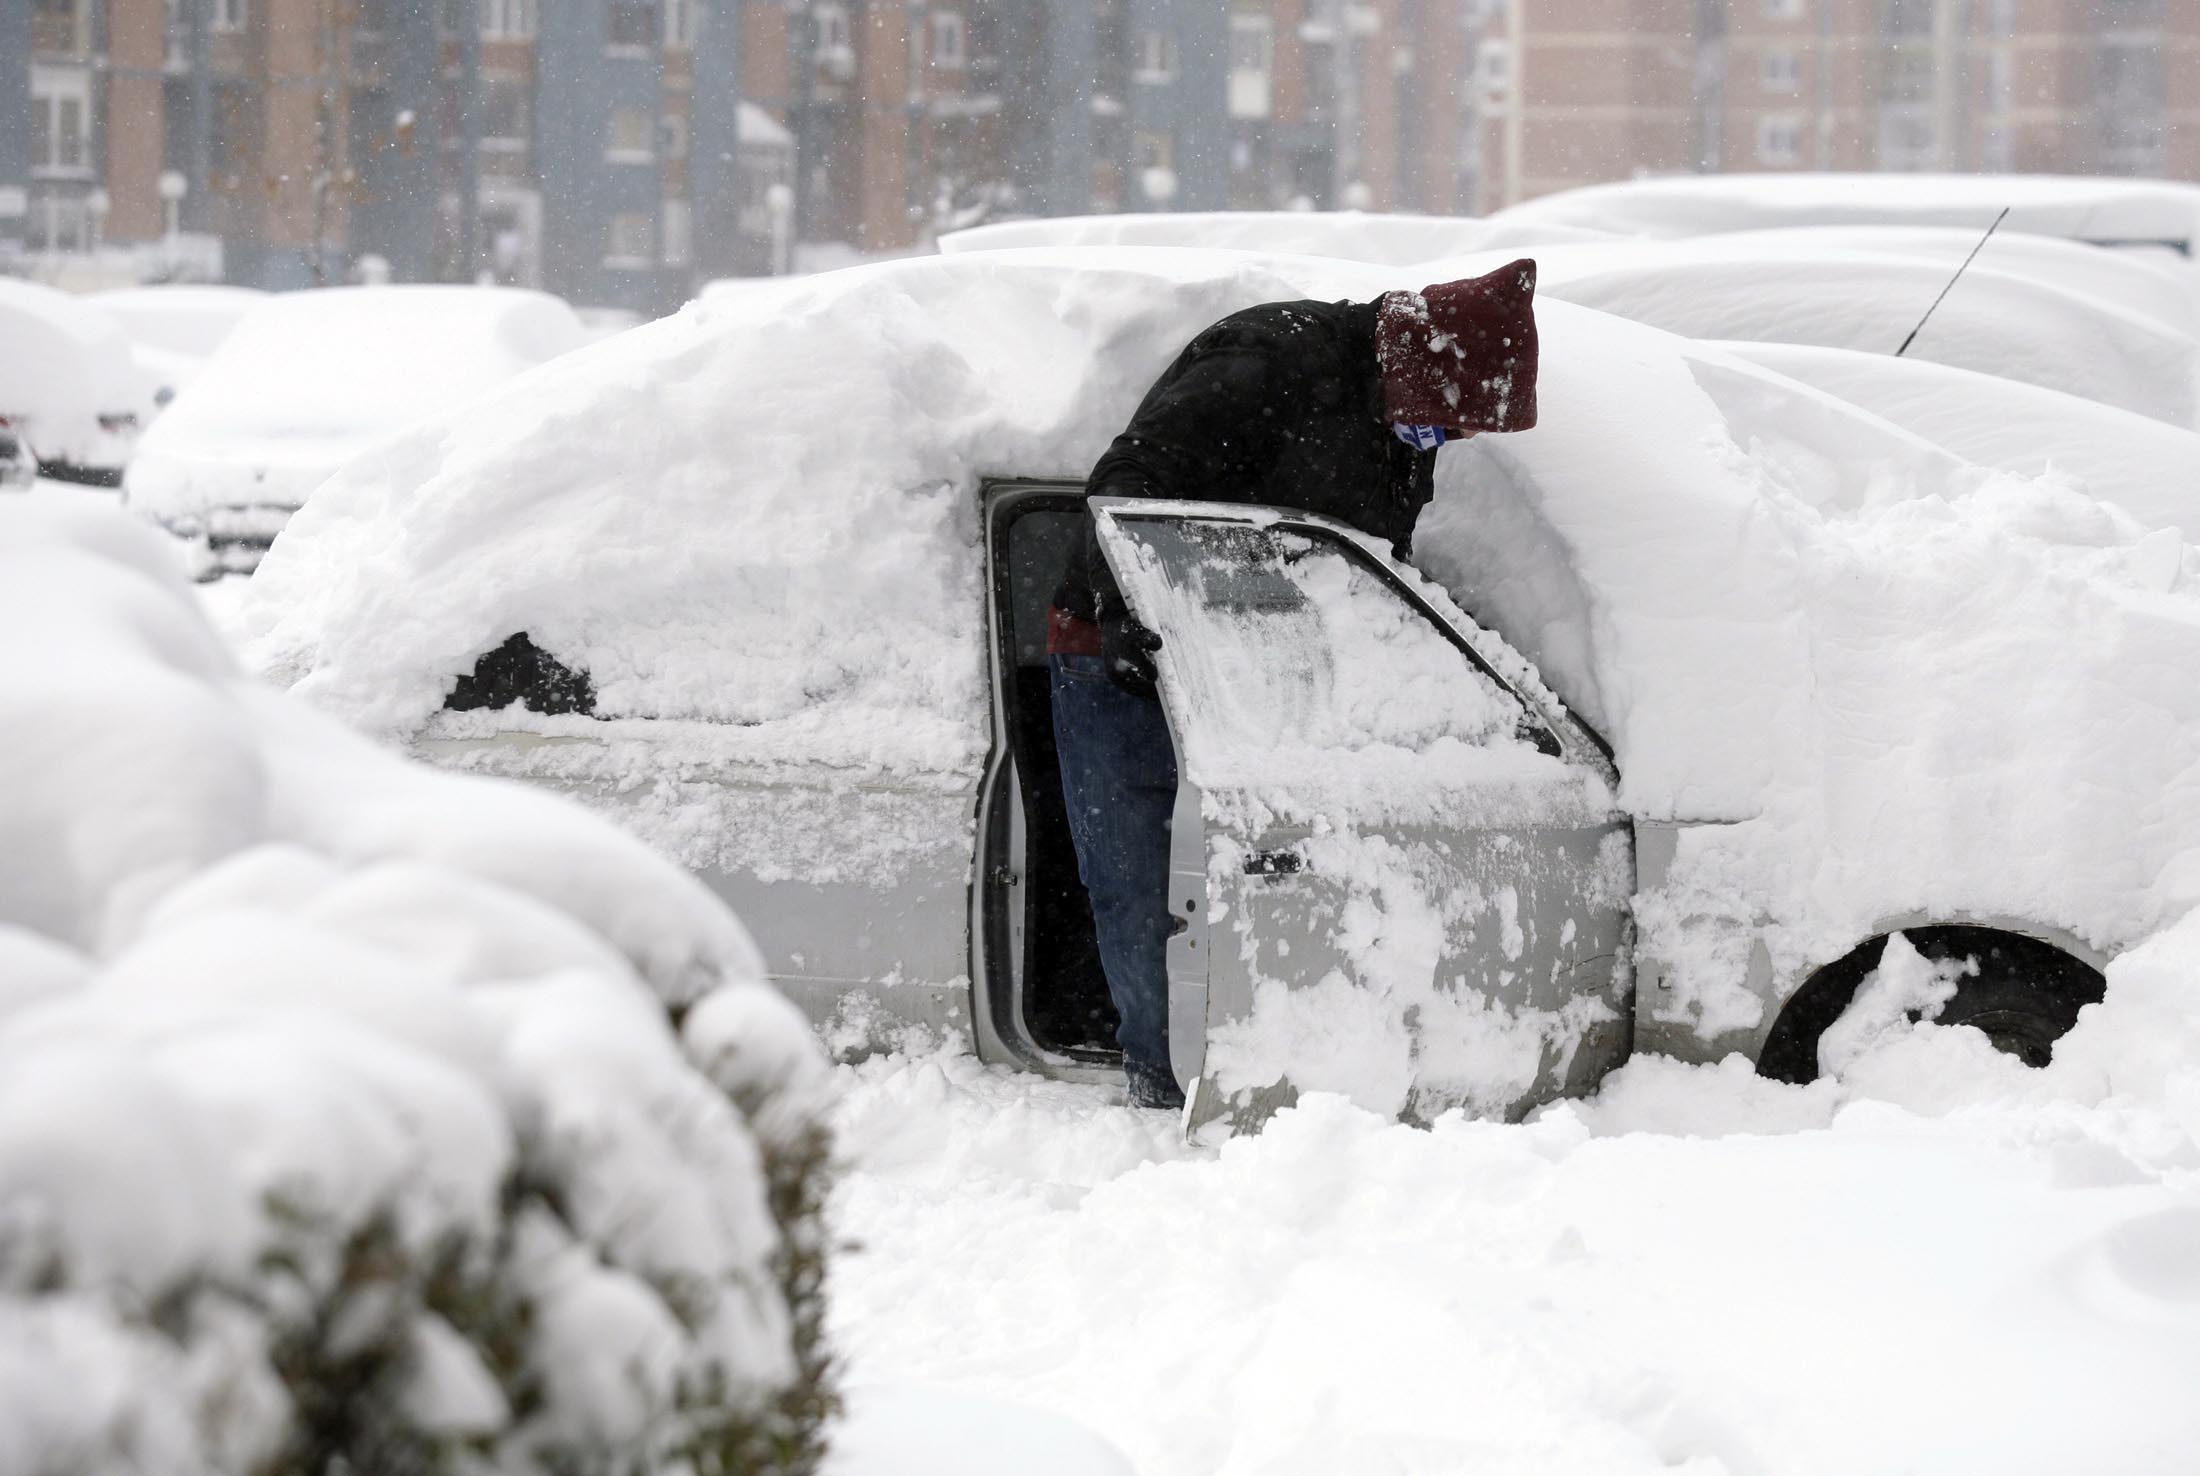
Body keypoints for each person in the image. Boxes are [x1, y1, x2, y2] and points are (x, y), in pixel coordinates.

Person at [1047, 258, 1544, 1110]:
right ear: (1412, 364)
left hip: (1250, 659)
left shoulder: (1401, 423)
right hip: (1117, 646)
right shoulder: (1270, 358)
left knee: (1243, 873)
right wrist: (1131, 621)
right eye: (1442, 423)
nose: (1443, 442)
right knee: (1141, 872)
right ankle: (1160, 1079)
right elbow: (1127, 486)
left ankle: (1239, 1066)